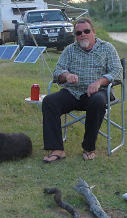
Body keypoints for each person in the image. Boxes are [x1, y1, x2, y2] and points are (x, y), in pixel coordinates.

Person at [41, 17, 122, 162]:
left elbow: (117, 72)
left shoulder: (107, 48)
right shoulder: (69, 50)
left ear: (93, 32)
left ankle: (88, 148)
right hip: (73, 93)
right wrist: (66, 75)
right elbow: (57, 71)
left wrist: (99, 82)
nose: (83, 35)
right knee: (49, 101)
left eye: (86, 31)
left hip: (99, 93)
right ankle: (57, 149)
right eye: (78, 33)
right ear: (75, 35)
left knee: (97, 101)